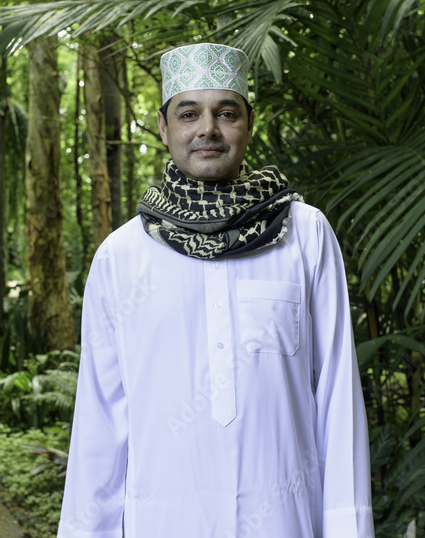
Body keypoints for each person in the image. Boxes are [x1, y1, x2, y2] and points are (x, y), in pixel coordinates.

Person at [57, 43, 375, 538]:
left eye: (225, 112)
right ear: (164, 128)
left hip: (287, 523)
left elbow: (337, 403)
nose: (207, 128)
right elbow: (100, 424)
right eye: (189, 114)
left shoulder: (304, 234)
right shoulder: (121, 256)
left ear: (248, 123)